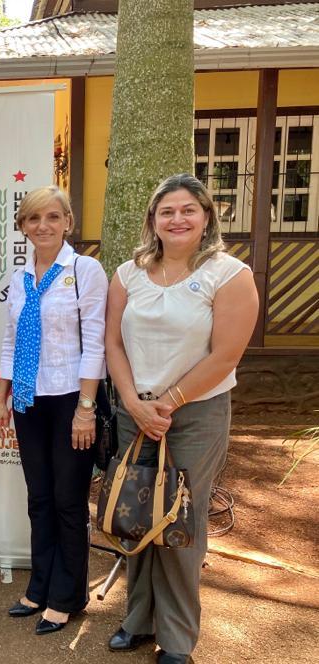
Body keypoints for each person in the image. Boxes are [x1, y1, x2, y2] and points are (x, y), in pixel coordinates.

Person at [104, 174, 258, 664]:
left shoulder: (229, 274)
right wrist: (132, 400)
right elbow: (112, 343)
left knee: (179, 522)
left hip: (193, 413)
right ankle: (138, 619)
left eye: (188, 209)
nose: (177, 219)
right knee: (135, 515)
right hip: (137, 411)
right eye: (167, 211)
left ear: (207, 216)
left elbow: (226, 354)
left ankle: (176, 638)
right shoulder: (127, 274)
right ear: (153, 219)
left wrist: (167, 402)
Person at [0, 185, 108, 635]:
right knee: (38, 498)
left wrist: (85, 407)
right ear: (22, 226)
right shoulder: (18, 278)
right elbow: (9, 340)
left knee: (67, 500)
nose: (43, 226)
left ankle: (67, 595)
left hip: (70, 400)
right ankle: (39, 586)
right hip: (27, 398)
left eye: (53, 217)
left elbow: (95, 341)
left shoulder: (84, 270)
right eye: (33, 219)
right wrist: (2, 395)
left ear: (68, 222)